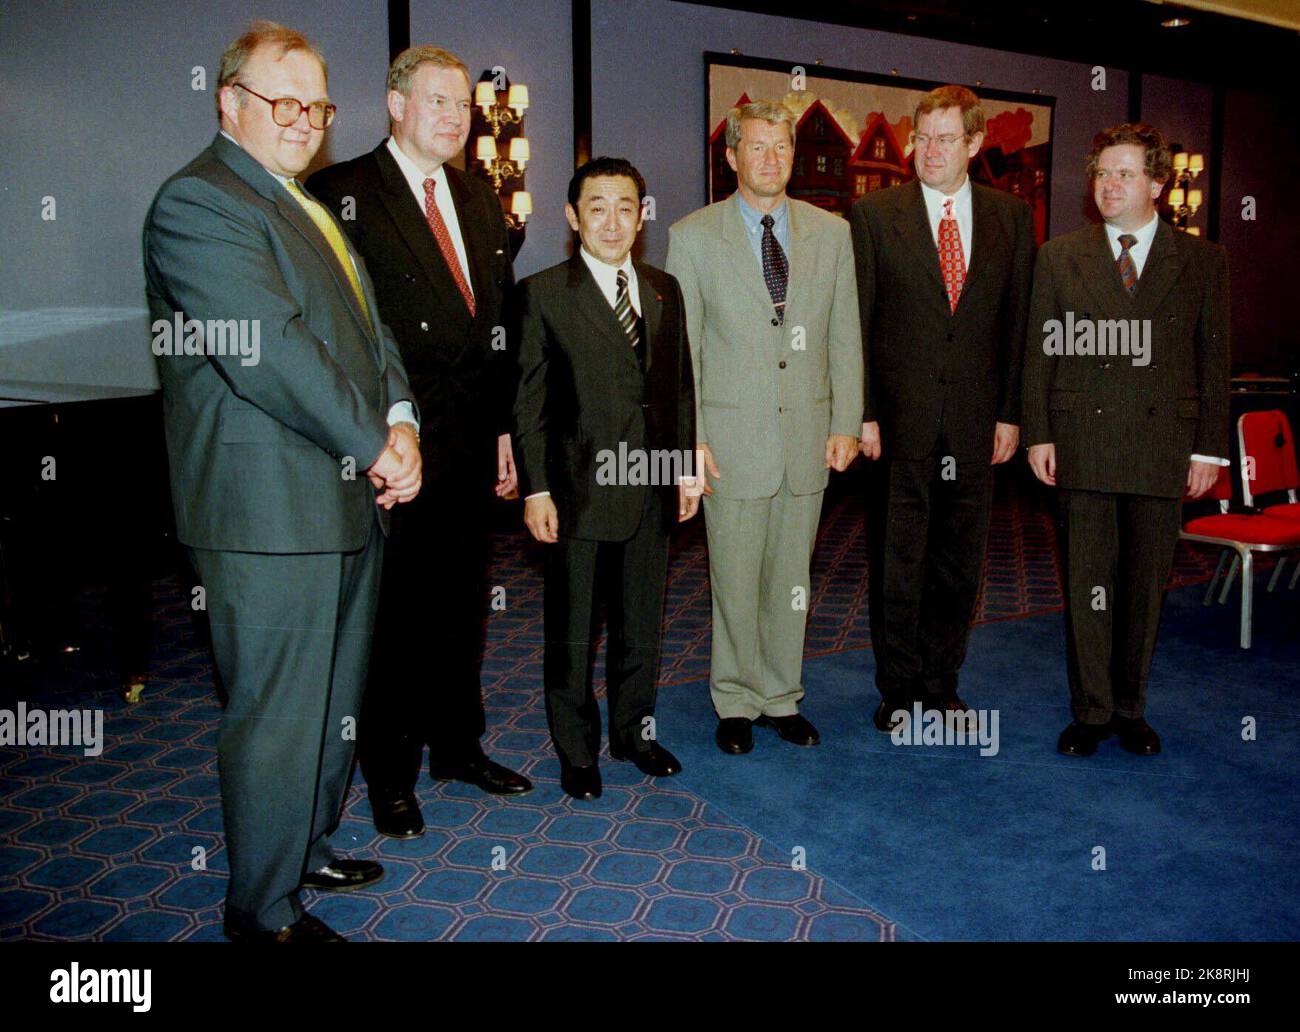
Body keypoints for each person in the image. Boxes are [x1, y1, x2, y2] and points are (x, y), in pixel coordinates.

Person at [143, 21, 422, 941]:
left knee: (332, 701)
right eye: (284, 100)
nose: (305, 120)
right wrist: (375, 444)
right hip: (265, 511)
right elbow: (267, 352)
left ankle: (303, 850)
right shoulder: (199, 202)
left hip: (343, 492)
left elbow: (372, 336)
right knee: (275, 716)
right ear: (231, 104)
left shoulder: (303, 205)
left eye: (317, 104)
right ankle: (260, 908)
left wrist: (402, 423)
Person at [308, 46, 530, 838]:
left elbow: (497, 326)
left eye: (462, 104)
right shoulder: (341, 195)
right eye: (435, 100)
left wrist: (506, 428)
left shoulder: (481, 199)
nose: (453, 115)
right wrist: (375, 439)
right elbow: (334, 339)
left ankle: (458, 747)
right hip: (390, 447)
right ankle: (390, 774)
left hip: (471, 442)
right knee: (394, 617)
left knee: (461, 604)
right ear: (395, 104)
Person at [1023, 122, 1229, 757]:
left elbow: (1213, 359)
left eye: (1124, 173)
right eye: (1102, 173)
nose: (1108, 185)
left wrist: (1209, 449)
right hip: (1082, 441)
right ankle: (1090, 711)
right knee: (1089, 581)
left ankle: (1131, 707)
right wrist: (1038, 433)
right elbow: (1040, 352)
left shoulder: (1201, 261)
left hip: (1163, 445)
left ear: (1159, 185)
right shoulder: (1061, 255)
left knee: (1144, 584)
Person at [667, 101, 863, 756]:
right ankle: (735, 699)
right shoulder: (693, 237)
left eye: (781, 147)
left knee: (792, 579)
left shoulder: (831, 233)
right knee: (736, 575)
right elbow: (683, 351)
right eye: (757, 147)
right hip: (729, 442)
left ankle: (781, 696)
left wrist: (845, 421)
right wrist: (687, 441)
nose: (771, 159)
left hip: (808, 439)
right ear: (732, 157)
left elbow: (845, 337)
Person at [849, 85, 1035, 732]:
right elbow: (859, 325)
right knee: (897, 562)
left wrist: (1012, 415)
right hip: (899, 425)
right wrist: (863, 412)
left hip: (978, 425)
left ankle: (940, 685)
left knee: (959, 565)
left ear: (975, 144)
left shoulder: (1012, 219)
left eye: (945, 138)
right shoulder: (875, 216)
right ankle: (897, 690)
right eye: (921, 137)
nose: (929, 150)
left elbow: (1017, 328)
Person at [513, 158, 698, 801]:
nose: (613, 221)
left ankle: (634, 734)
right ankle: (576, 749)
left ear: (642, 216)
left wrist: (684, 472)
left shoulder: (664, 289)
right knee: (572, 630)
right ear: (572, 217)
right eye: (597, 206)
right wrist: (536, 488)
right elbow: (529, 404)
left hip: (650, 486)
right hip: (577, 493)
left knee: (641, 622)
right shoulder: (542, 293)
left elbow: (678, 390)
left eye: (627, 207)